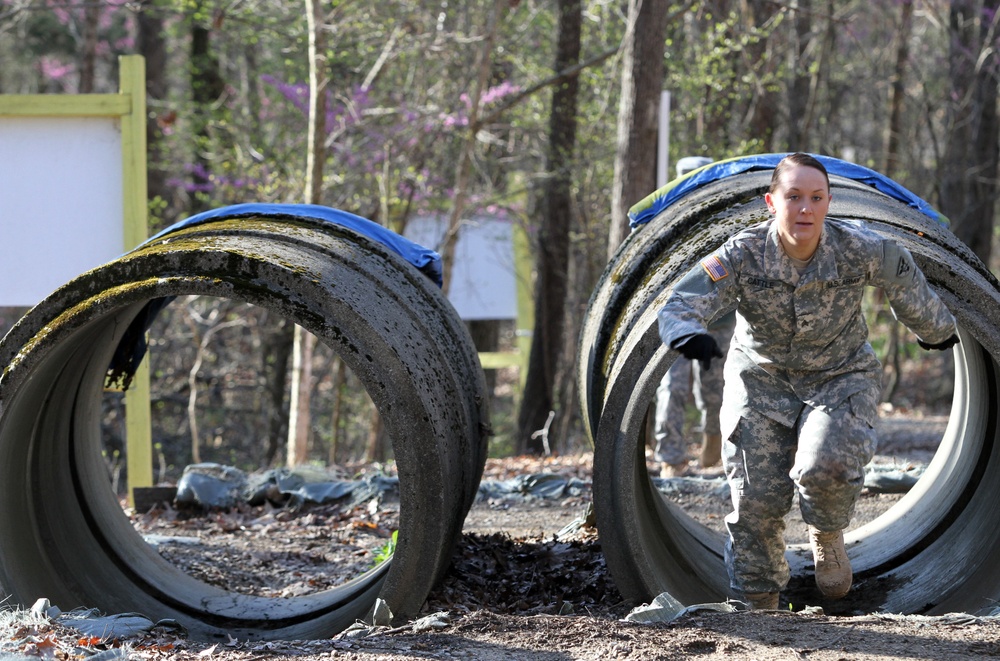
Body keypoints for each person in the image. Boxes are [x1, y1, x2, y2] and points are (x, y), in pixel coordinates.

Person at [656, 153, 958, 610]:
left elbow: (901, 271)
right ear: (771, 202)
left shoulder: (858, 246)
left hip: (839, 375)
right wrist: (686, 334)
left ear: (829, 202)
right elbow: (684, 299)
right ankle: (759, 607)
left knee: (826, 466)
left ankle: (827, 531)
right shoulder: (743, 252)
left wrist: (935, 330)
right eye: (793, 196)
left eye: (816, 198)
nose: (805, 208)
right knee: (756, 500)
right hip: (761, 379)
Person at [653, 156, 735, 478]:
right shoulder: (665, 222)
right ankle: (671, 458)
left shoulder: (725, 219)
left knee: (715, 389)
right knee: (671, 386)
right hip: (678, 319)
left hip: (719, 320)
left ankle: (712, 447)